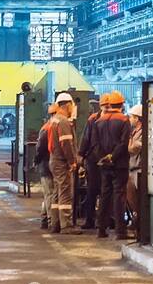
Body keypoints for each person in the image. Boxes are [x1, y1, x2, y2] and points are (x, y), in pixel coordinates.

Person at [90, 91, 132, 239]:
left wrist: (103, 157)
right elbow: (124, 143)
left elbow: (94, 143)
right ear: (121, 104)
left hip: (104, 166)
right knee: (119, 196)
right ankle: (120, 231)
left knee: (105, 195)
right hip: (119, 164)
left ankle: (101, 229)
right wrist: (113, 157)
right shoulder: (124, 120)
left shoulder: (98, 122)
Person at [47, 96, 81, 234]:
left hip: (54, 160)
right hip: (61, 162)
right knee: (65, 193)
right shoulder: (63, 121)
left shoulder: (54, 120)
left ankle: (55, 223)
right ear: (67, 105)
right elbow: (66, 143)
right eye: (72, 105)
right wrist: (72, 161)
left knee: (57, 192)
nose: (73, 108)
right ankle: (66, 225)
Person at [76, 94, 102, 229]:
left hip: (93, 160)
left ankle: (90, 220)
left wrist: (80, 155)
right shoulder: (121, 118)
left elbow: (86, 139)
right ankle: (107, 221)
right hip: (110, 161)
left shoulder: (93, 119)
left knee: (92, 190)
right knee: (106, 192)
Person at [36, 103, 58, 229]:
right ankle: (50, 221)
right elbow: (40, 148)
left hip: (46, 165)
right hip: (47, 165)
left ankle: (45, 219)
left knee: (48, 194)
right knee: (50, 194)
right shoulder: (48, 128)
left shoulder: (48, 127)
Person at [126, 103, 143, 236]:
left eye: (132, 117)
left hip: (138, 169)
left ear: (137, 119)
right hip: (132, 168)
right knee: (131, 197)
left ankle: (139, 221)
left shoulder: (143, 132)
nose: (130, 119)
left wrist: (129, 145)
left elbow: (134, 148)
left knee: (138, 197)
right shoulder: (134, 132)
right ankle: (136, 218)